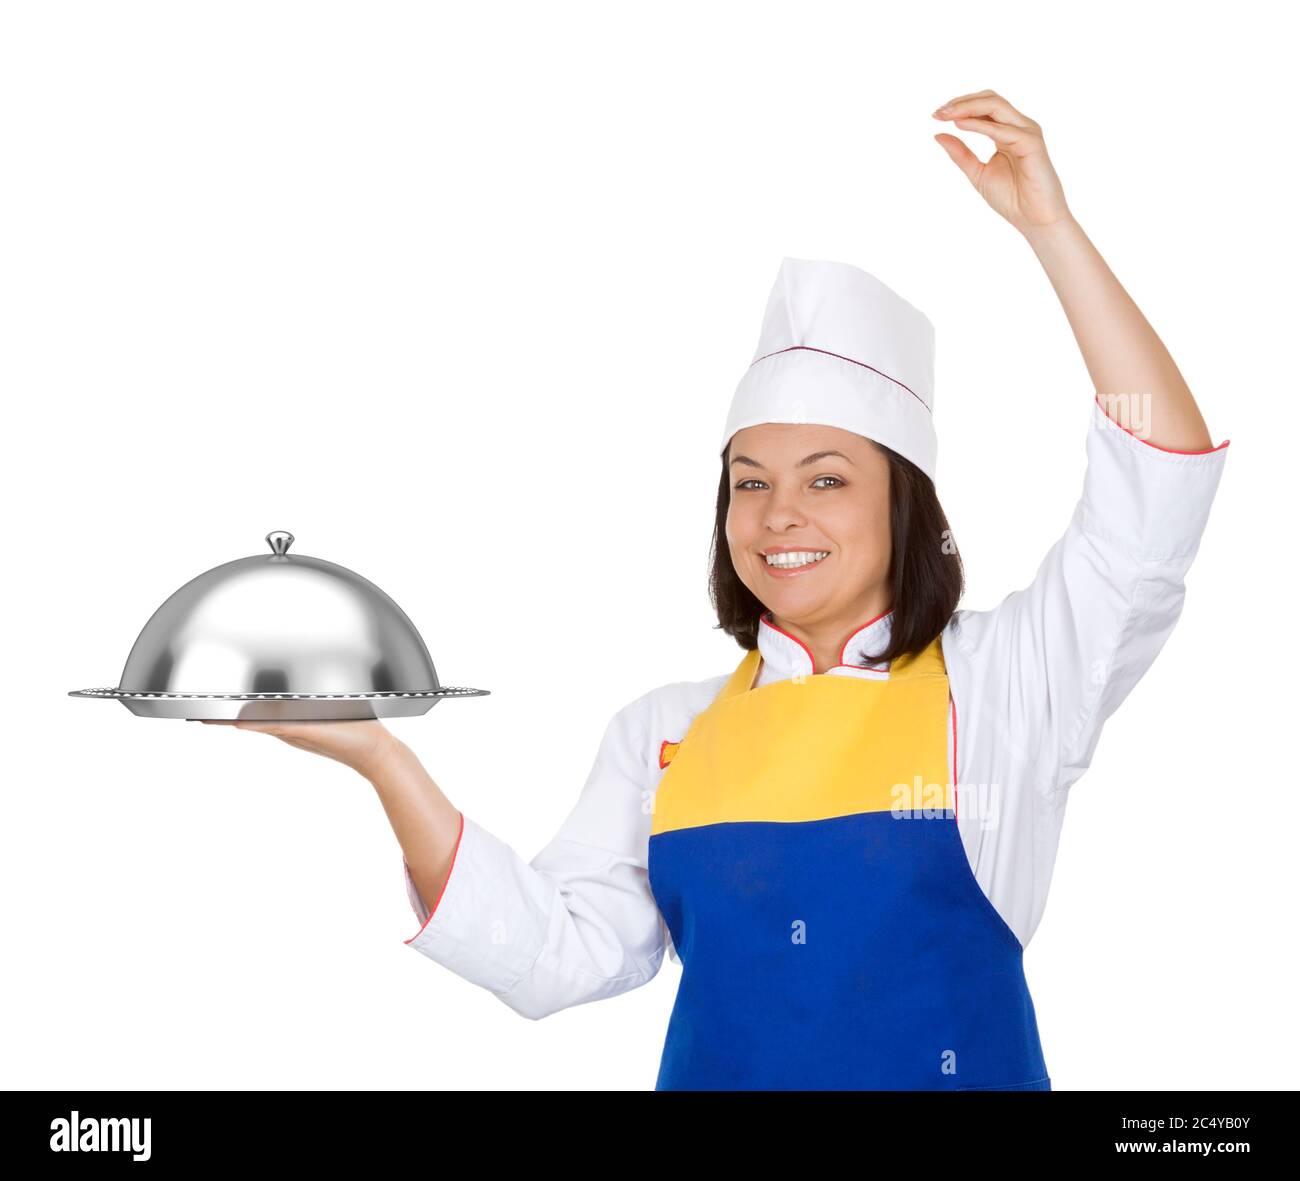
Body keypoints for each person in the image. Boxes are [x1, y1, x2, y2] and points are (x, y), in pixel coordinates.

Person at [205, 90, 1230, 1090]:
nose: (779, 514)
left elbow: (1155, 488)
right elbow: (557, 952)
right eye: (751, 484)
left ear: (902, 505)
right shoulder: (666, 729)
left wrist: (1050, 230)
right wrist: (382, 756)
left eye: (826, 478)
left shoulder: (1006, 681)